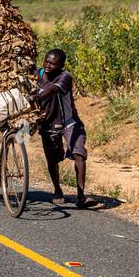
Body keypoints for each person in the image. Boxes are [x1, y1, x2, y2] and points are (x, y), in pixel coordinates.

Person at [33, 48, 88, 208]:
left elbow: (54, 89)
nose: (48, 66)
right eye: (46, 62)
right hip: (47, 124)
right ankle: (57, 189)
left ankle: (81, 195)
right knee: (52, 159)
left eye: (53, 64)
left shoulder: (65, 77)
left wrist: (37, 97)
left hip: (69, 122)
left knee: (79, 154)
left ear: (61, 65)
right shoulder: (36, 75)